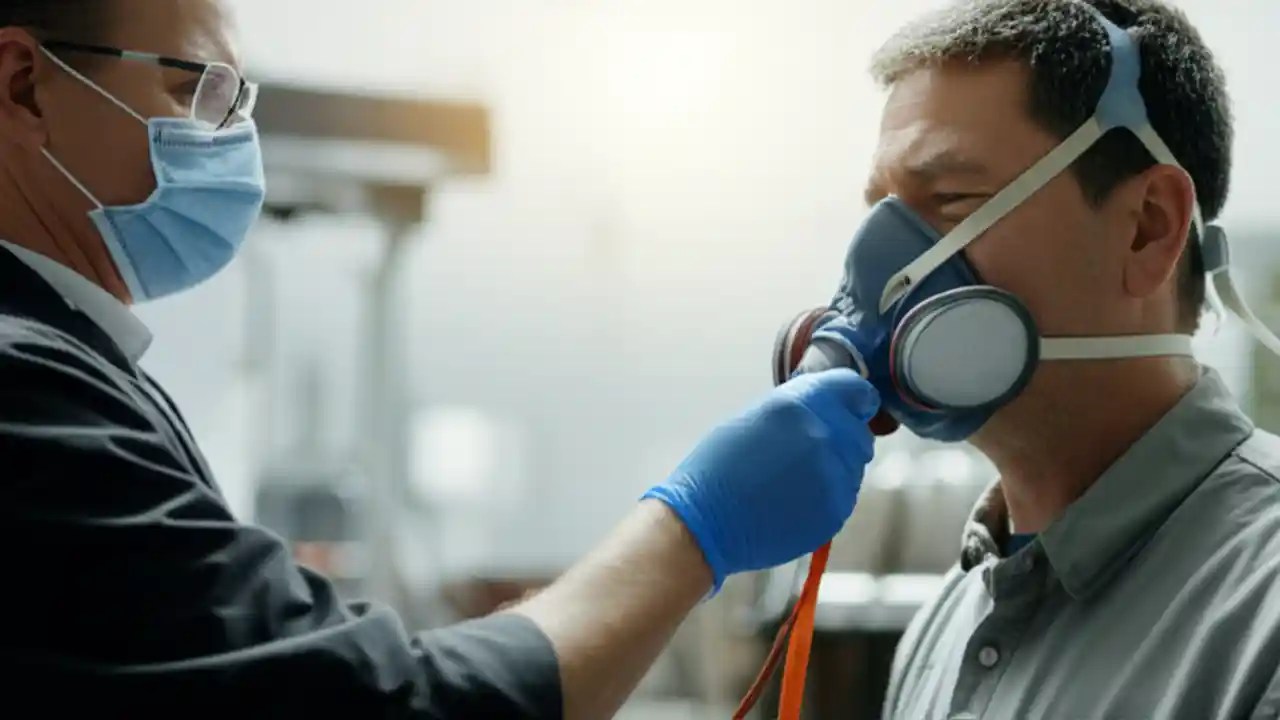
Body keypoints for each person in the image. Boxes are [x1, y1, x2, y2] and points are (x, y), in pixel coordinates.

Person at [0, 1, 882, 717]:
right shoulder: (24, 392)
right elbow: (376, 707)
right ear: (25, 85)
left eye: (240, 105)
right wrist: (696, 527)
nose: (231, 139)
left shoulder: (78, 359)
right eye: (196, 90)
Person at [842, 0, 1280, 717]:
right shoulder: (940, 630)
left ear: (1148, 230)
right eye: (882, 211)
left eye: (949, 200)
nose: (884, 269)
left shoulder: (1263, 615)